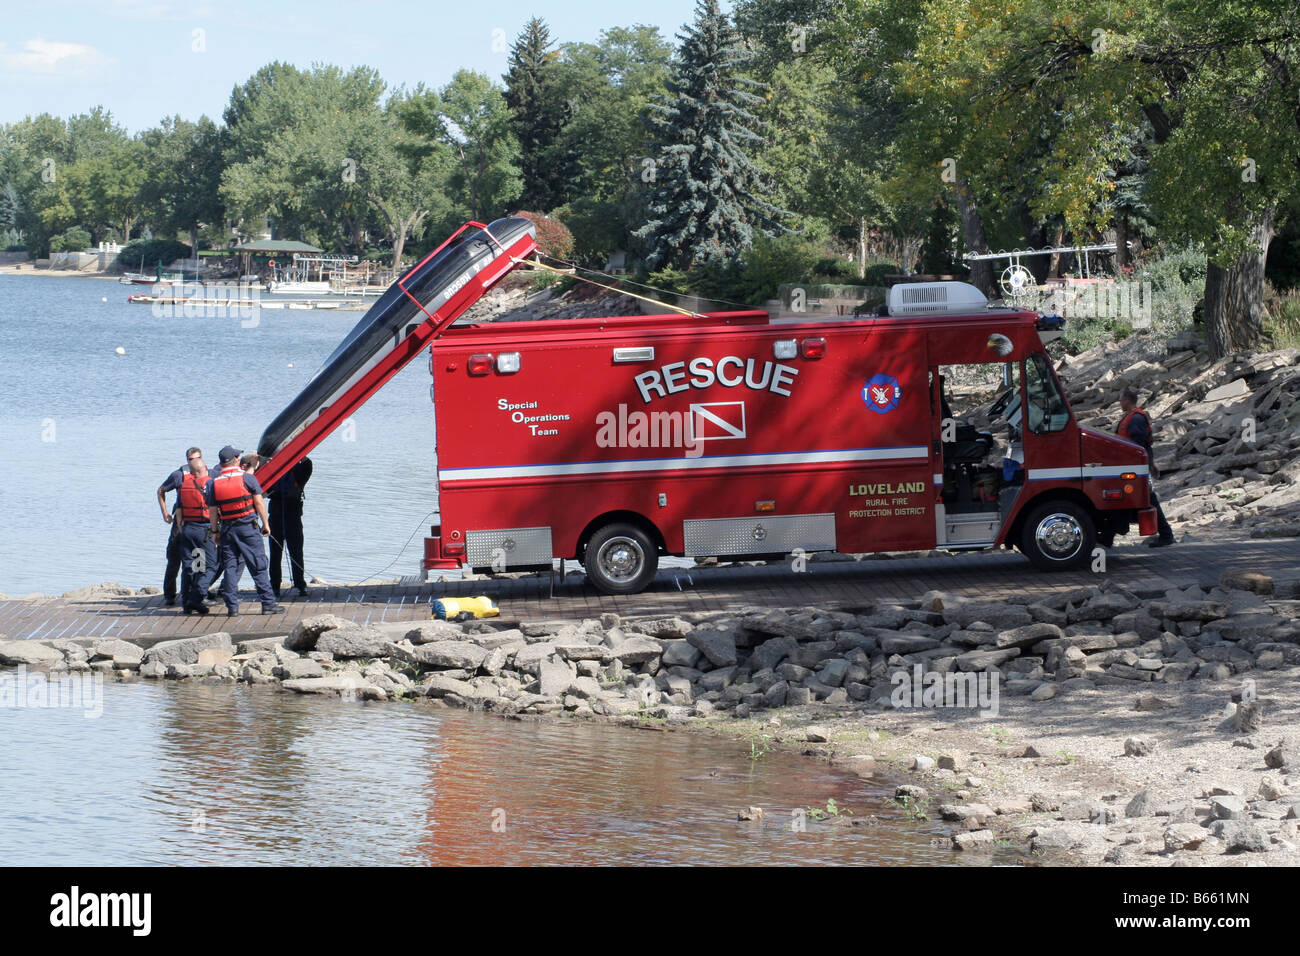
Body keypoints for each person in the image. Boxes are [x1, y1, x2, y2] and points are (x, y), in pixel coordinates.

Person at [206, 445, 284, 615]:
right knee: (258, 565)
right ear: (235, 460)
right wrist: (266, 524)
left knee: (230, 568)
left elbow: (212, 511)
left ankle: (232, 607)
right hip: (248, 528)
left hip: (227, 530)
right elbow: (259, 502)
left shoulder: (213, 483)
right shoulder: (247, 479)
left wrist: (214, 532)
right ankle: (268, 604)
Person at [1117, 388, 1175, 547]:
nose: (1120, 403)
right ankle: (1165, 534)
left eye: (1121, 400)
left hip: (1137, 468)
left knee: (1150, 499)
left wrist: (1148, 465)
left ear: (1127, 400)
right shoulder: (1132, 417)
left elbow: (1140, 445)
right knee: (1146, 499)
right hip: (1134, 468)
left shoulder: (1136, 419)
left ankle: (1166, 535)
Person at [156, 448, 201, 605]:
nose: (193, 461)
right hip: (180, 520)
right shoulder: (178, 475)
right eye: (190, 459)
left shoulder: (206, 472)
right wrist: (165, 512)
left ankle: (196, 591)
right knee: (174, 557)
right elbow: (161, 490)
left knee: (198, 555)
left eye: (196, 458)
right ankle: (169, 594)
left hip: (198, 520)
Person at [175, 452, 216, 615]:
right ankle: (196, 596)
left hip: (187, 529)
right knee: (211, 566)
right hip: (205, 529)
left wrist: (180, 528)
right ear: (205, 468)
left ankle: (186, 603)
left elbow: (179, 510)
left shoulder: (184, 486)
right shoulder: (212, 484)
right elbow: (214, 509)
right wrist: (215, 530)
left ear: (191, 472)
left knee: (190, 566)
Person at [269, 456, 312, 599]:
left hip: (276, 516)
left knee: (276, 553)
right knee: (296, 552)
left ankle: (275, 586)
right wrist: (296, 454)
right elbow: (308, 463)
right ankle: (300, 585)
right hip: (291, 516)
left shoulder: (272, 472)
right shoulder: (300, 471)